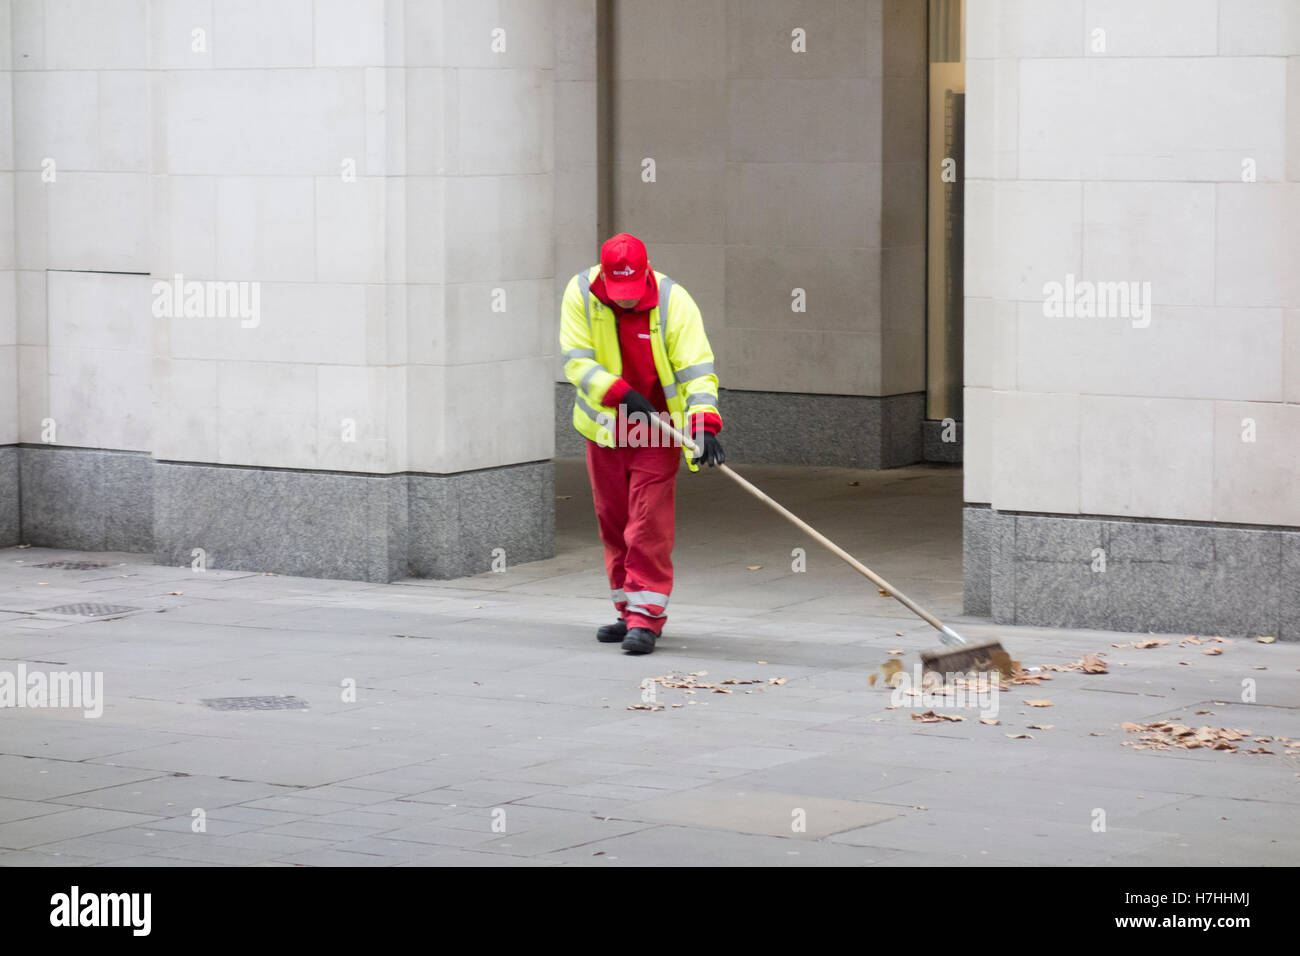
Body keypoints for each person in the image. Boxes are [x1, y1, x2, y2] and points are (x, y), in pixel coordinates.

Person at [559, 233, 724, 655]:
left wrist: (704, 427)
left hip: (658, 429)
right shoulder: (581, 293)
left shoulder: (674, 301)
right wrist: (620, 393)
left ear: (647, 273)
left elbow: (696, 370)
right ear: (605, 278)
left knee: (646, 524)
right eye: (620, 294)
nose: (627, 301)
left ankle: (646, 619)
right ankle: (626, 610)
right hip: (609, 427)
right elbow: (578, 361)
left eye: (633, 294)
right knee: (613, 522)